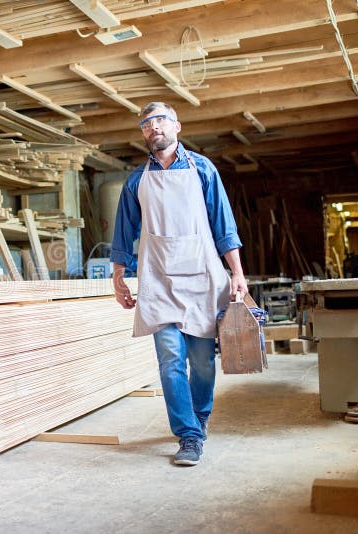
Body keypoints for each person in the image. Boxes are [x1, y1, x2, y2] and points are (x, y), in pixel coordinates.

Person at [110, 102, 248, 466]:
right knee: (171, 359)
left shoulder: (203, 169)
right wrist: (118, 275)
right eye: (146, 123)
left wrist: (237, 272)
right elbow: (124, 231)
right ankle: (188, 435)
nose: (154, 127)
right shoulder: (136, 180)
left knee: (201, 363)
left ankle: (200, 417)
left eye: (160, 120)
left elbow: (223, 225)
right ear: (143, 133)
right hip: (157, 280)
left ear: (177, 126)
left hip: (202, 278)